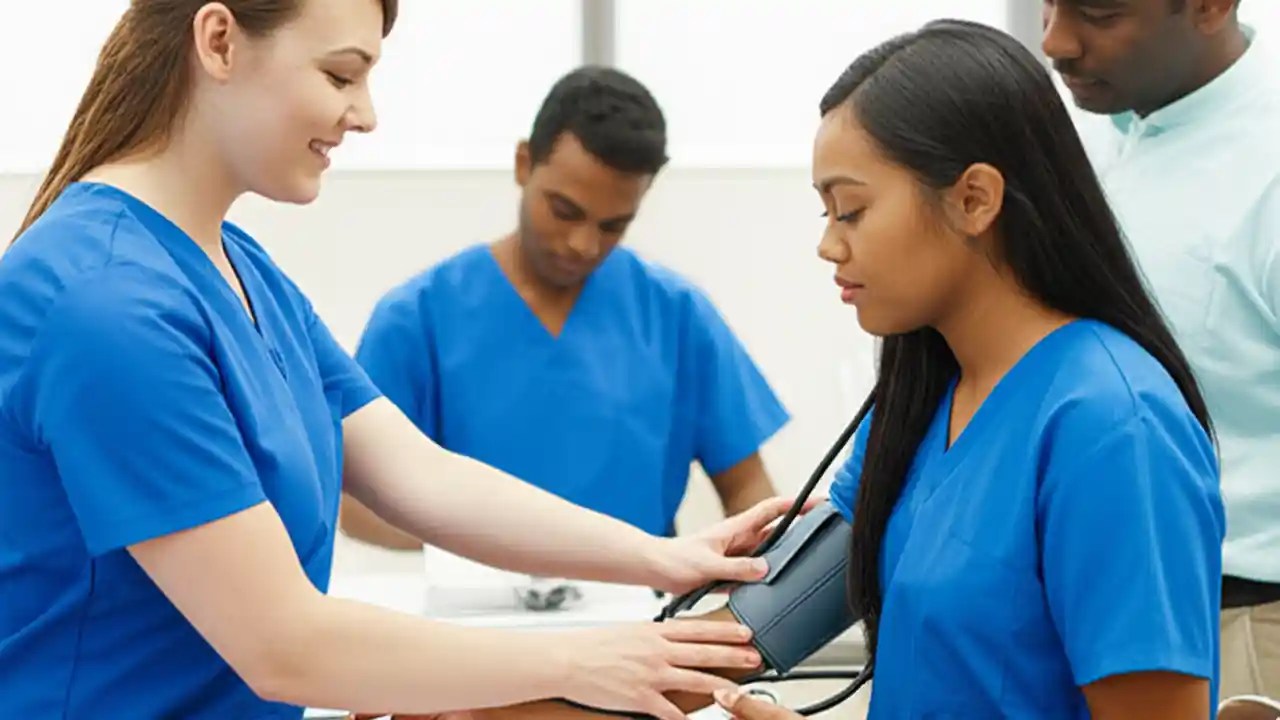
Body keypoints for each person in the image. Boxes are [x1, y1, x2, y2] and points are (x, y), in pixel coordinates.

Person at [368, 19, 1227, 720]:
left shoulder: (1114, 423)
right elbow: (725, 646)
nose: (827, 243)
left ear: (973, 199)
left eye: (850, 209)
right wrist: (456, 707)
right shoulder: (919, 413)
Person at [0, 2, 797, 718]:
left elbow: (423, 477)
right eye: (341, 74)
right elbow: (286, 645)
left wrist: (667, 556)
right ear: (218, 41)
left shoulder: (238, 269)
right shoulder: (106, 304)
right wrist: (584, 658)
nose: (367, 114)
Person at [341, 65, 789, 549]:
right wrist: (505, 554)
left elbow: (746, 486)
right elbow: (358, 507)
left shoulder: (677, 316)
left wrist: (761, 577)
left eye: (612, 225)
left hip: (640, 609)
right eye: (564, 211)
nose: (583, 244)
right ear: (523, 163)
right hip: (474, 616)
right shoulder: (416, 320)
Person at [1043, 0, 1280, 701]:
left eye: (1099, 14)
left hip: (1244, 626)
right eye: (1047, 5)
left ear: (1210, 6)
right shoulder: (1095, 137)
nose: (1055, 42)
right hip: (1095, 618)